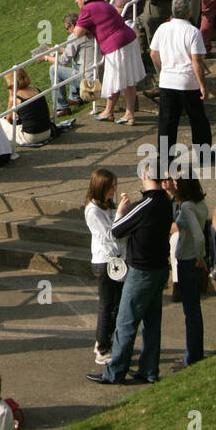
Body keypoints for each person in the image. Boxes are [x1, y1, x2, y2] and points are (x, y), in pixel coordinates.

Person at [86, 159, 173, 386]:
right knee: (152, 322)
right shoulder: (166, 200)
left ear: (145, 177)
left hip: (142, 270)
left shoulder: (144, 205)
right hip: (160, 268)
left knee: (125, 321)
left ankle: (114, 372)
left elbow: (116, 231)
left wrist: (123, 211)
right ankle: (148, 370)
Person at [149, 0, 211, 165]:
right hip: (188, 82)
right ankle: (204, 155)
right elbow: (196, 61)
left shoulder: (163, 28)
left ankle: (165, 157)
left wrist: (165, 68)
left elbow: (153, 54)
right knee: (198, 120)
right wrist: (203, 85)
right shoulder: (193, 32)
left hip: (168, 81)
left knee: (167, 121)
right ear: (189, 12)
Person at [71, 0, 144, 125]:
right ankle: (127, 113)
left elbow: (78, 33)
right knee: (129, 79)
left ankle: (110, 111)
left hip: (115, 45)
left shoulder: (87, 9)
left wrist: (83, 28)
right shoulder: (103, 4)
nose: (76, 2)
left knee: (113, 79)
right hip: (128, 39)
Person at [84, 169, 125, 367]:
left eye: (115, 187)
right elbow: (111, 235)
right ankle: (102, 348)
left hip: (117, 260)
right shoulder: (93, 210)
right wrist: (120, 214)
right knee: (107, 305)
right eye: (110, 188)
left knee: (115, 305)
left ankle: (106, 341)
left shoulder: (108, 206)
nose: (114, 191)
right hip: (105, 261)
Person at [170, 173, 209, 370]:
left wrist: (200, 259)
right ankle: (193, 353)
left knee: (190, 312)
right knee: (194, 311)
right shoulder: (201, 204)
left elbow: (199, 236)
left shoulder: (186, 207)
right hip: (192, 259)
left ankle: (192, 357)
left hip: (188, 261)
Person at [5, 68, 55, 146]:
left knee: (1, 122)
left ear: (11, 84)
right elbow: (47, 112)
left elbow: (8, 119)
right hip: (47, 132)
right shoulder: (37, 90)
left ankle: (4, 149)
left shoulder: (16, 98)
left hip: (31, 137)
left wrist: (10, 96)